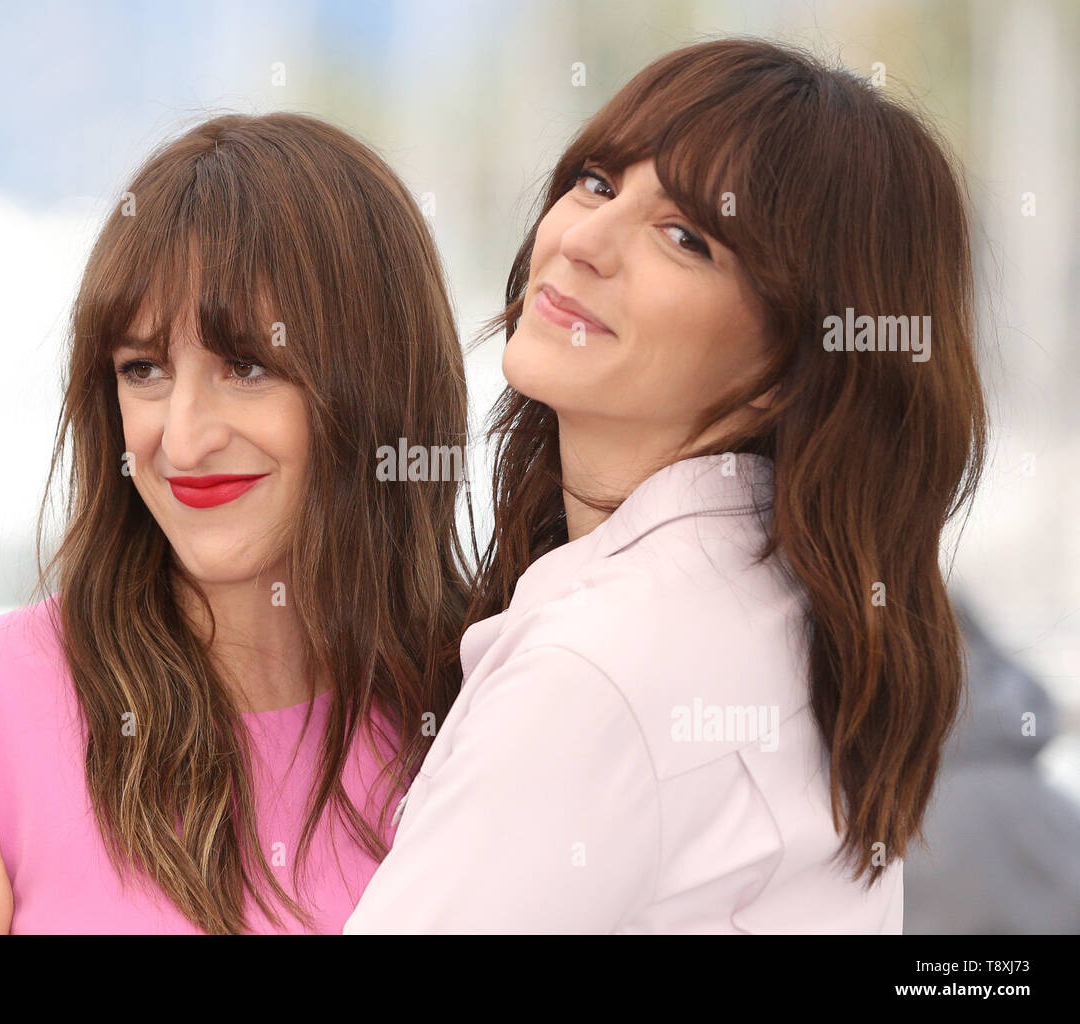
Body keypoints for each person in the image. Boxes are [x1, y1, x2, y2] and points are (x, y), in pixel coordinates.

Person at [346, 38, 987, 933]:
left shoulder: (600, 670)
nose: (581, 241)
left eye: (686, 239)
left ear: (796, 365)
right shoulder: (794, 618)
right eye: (599, 183)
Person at [0, 112, 471, 934]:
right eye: (144, 370)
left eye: (246, 366)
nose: (184, 436)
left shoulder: (483, 698)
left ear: (378, 383)